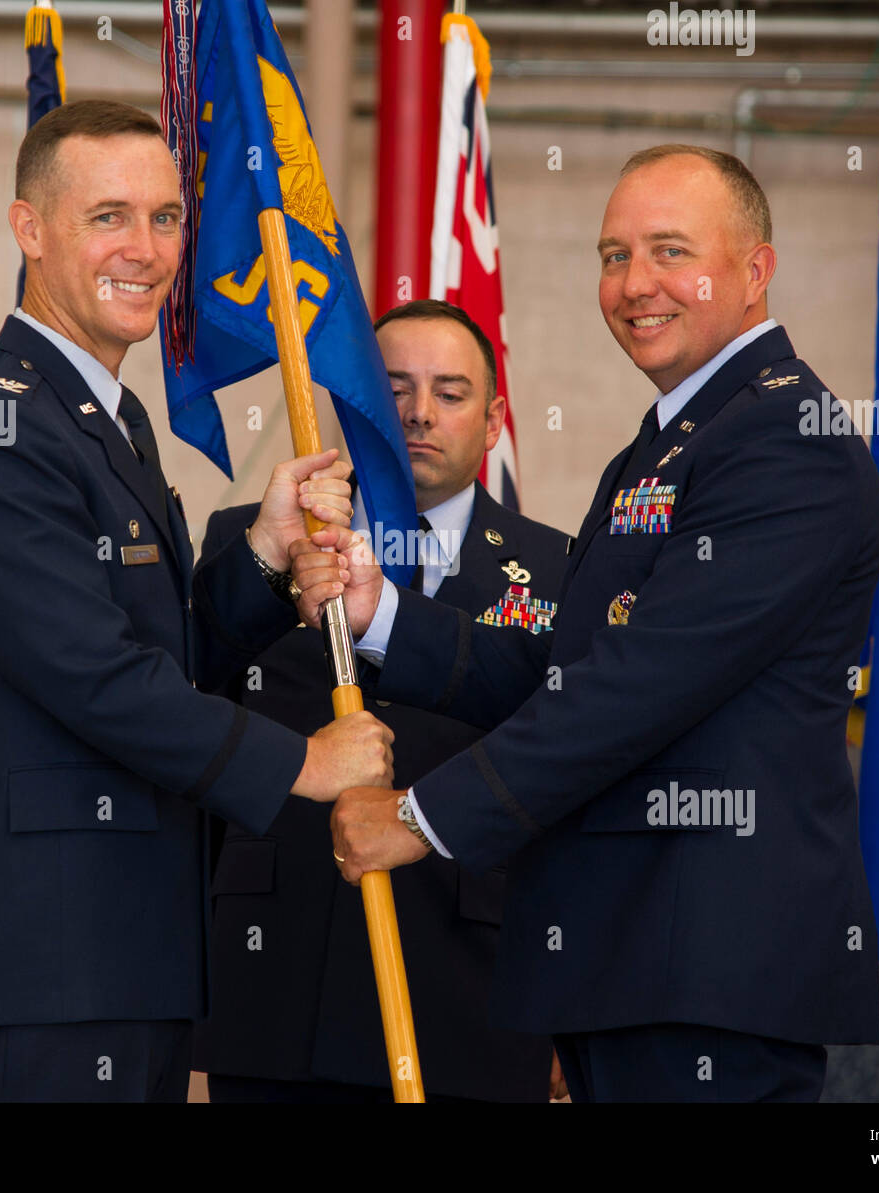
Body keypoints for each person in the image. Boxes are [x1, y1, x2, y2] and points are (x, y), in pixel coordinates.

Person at [292, 145, 879, 1103]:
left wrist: (420, 817)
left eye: (668, 251)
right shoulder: (668, 442)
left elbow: (638, 686)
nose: (634, 283)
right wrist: (383, 617)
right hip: (630, 963)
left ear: (755, 269)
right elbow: (570, 668)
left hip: (707, 975)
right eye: (614, 255)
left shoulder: (786, 441)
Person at [0, 100, 393, 1103]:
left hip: (122, 951)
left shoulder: (99, 417)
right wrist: (301, 762)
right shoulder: (2, 429)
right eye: (108, 217)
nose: (147, 248)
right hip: (49, 961)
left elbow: (155, 644)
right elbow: (94, 676)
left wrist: (262, 552)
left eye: (166, 218)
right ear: (30, 230)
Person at [192, 300, 571, 1103]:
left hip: (470, 1001)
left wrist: (570, 1011)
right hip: (275, 988)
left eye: (451, 391)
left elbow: (572, 789)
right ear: (350, 400)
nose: (419, 412)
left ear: (495, 418)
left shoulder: (559, 569)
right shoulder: (252, 540)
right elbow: (192, 740)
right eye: (392, 386)